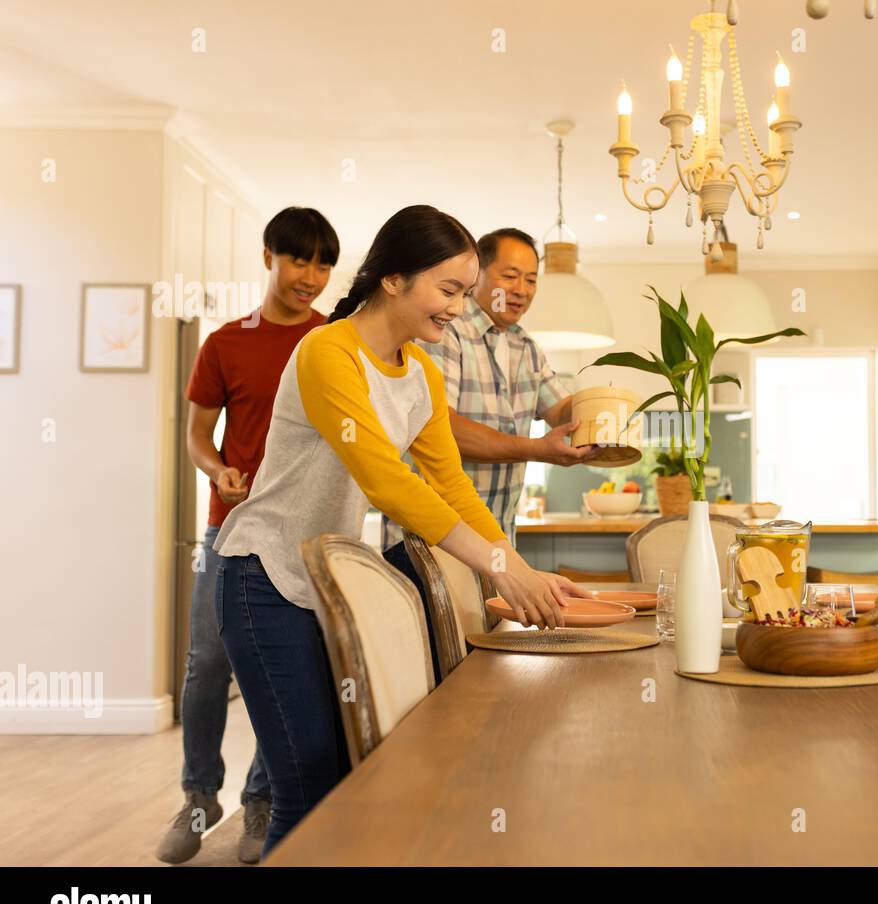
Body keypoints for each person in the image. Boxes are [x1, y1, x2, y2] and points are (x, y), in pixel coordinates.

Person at [213, 205, 590, 854]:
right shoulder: (328, 351)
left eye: (464, 294)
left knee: (343, 781)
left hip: (328, 582)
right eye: (447, 290)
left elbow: (453, 487)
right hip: (264, 577)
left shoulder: (421, 374)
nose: (457, 308)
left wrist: (522, 569)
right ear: (393, 279)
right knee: (305, 789)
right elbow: (389, 481)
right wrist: (502, 570)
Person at [156, 206, 338, 866]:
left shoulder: (332, 343)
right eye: (298, 258)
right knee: (207, 662)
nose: (310, 275)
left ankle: (261, 797)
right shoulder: (225, 343)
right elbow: (197, 435)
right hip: (225, 529)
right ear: (268, 255)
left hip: (302, 537)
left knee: (284, 663)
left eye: (322, 263)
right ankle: (199, 794)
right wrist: (217, 468)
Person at [427, 228, 595, 541]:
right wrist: (536, 449)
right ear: (476, 275)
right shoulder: (446, 331)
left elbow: (561, 410)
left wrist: (602, 409)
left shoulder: (526, 346)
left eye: (531, 280)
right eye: (510, 276)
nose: (521, 290)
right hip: (436, 540)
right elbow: (442, 428)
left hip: (496, 537)